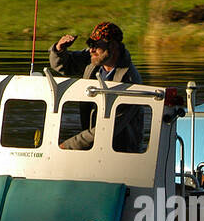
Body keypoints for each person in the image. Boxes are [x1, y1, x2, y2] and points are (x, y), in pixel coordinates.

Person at [49, 22, 145, 151]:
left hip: (121, 152)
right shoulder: (94, 58)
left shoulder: (131, 81)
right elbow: (65, 65)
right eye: (90, 45)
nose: (91, 50)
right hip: (92, 145)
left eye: (96, 45)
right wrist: (59, 49)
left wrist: (68, 146)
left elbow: (110, 126)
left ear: (113, 46)